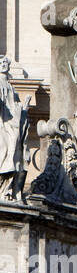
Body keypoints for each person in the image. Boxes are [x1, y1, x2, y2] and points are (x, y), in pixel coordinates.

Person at [0, 56, 27, 202]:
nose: (4, 65)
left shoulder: (11, 87)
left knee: (14, 152)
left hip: (12, 125)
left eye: (6, 63)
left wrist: (23, 108)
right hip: (2, 124)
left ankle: (8, 188)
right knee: (3, 150)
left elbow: (16, 106)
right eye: (1, 63)